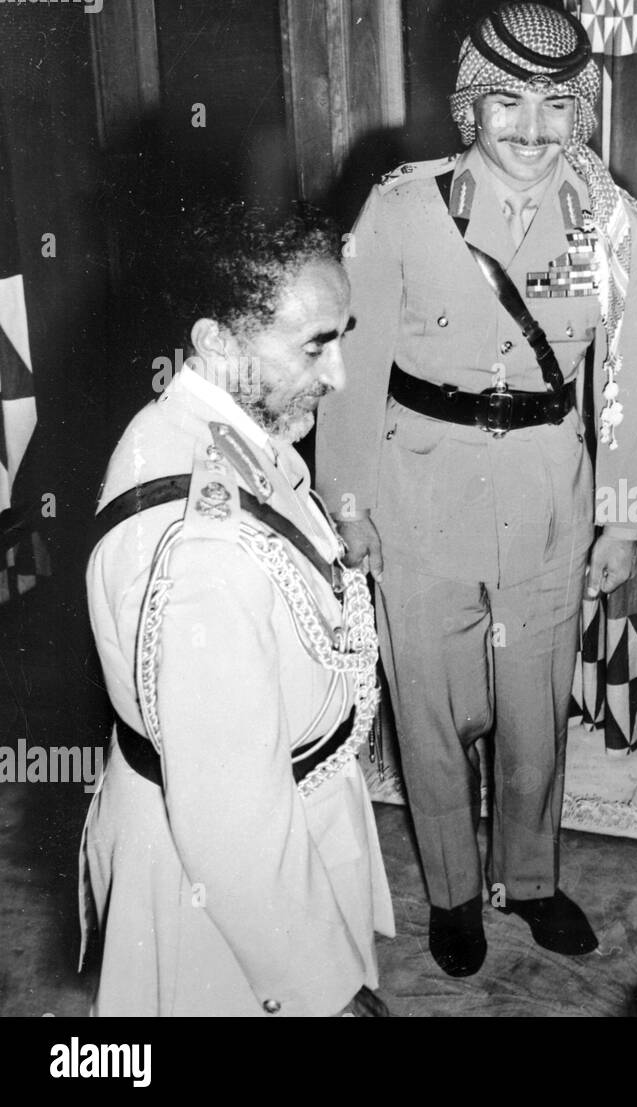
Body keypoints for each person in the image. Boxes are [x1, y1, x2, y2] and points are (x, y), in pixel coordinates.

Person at [314, 1, 637, 977]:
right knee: (427, 709)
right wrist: (348, 505)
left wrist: (625, 520)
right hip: (416, 490)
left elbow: (633, 381)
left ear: (581, 113)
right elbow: (351, 365)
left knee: (533, 706)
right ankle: (457, 895)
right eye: (506, 102)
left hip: (550, 492)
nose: (532, 128)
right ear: (468, 106)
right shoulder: (398, 207)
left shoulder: (609, 219)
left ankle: (531, 879)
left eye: (557, 106)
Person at [80, 202, 394, 1016]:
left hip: (280, 827)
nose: (339, 375)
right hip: (228, 902)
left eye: (343, 336)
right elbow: (231, 821)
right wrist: (324, 989)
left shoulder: (211, 425)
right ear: (217, 342)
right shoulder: (205, 553)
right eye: (315, 345)